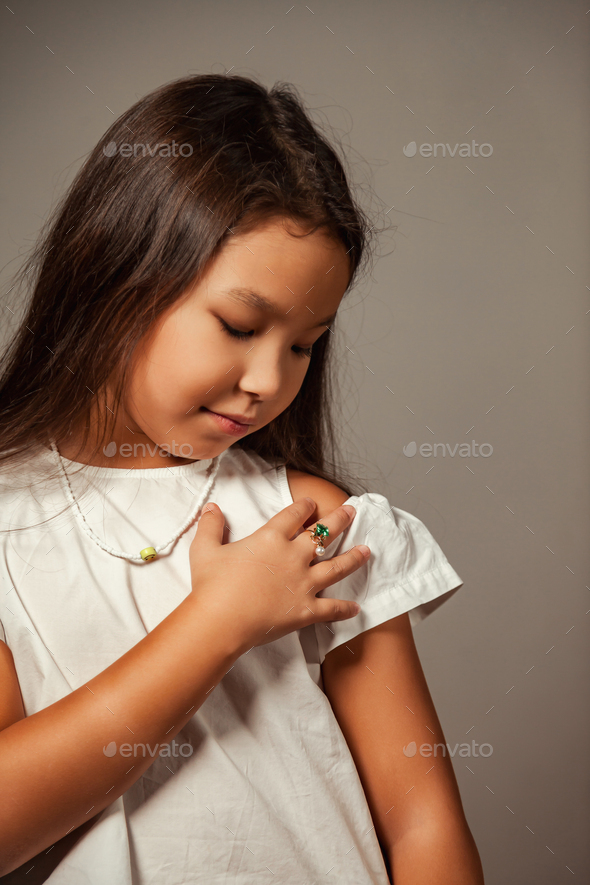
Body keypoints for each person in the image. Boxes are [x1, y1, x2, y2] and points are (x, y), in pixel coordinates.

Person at [0, 74, 484, 884]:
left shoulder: (311, 522)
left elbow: (423, 821)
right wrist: (217, 623)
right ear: (115, 279)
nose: (269, 378)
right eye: (240, 325)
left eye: (303, 344)